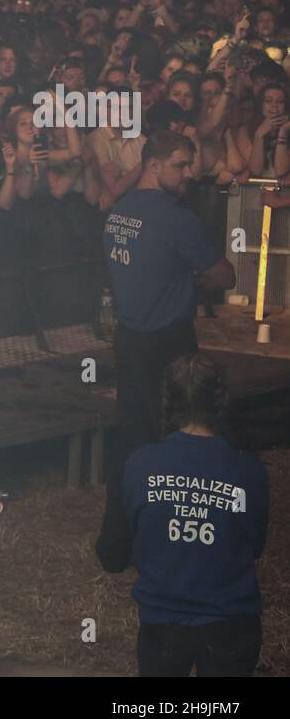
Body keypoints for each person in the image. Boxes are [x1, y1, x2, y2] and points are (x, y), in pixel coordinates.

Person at [97, 131, 235, 559]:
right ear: (154, 166)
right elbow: (226, 276)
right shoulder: (178, 218)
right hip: (169, 342)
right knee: (180, 436)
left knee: (132, 435)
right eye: (180, 164)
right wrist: (192, 280)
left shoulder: (119, 211)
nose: (189, 173)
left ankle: (116, 544)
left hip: (130, 337)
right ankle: (170, 541)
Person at [98, 353, 268, 677]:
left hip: (162, 621)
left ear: (168, 401)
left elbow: (115, 548)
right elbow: (255, 544)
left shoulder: (139, 465)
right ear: (220, 401)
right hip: (229, 621)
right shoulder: (249, 471)